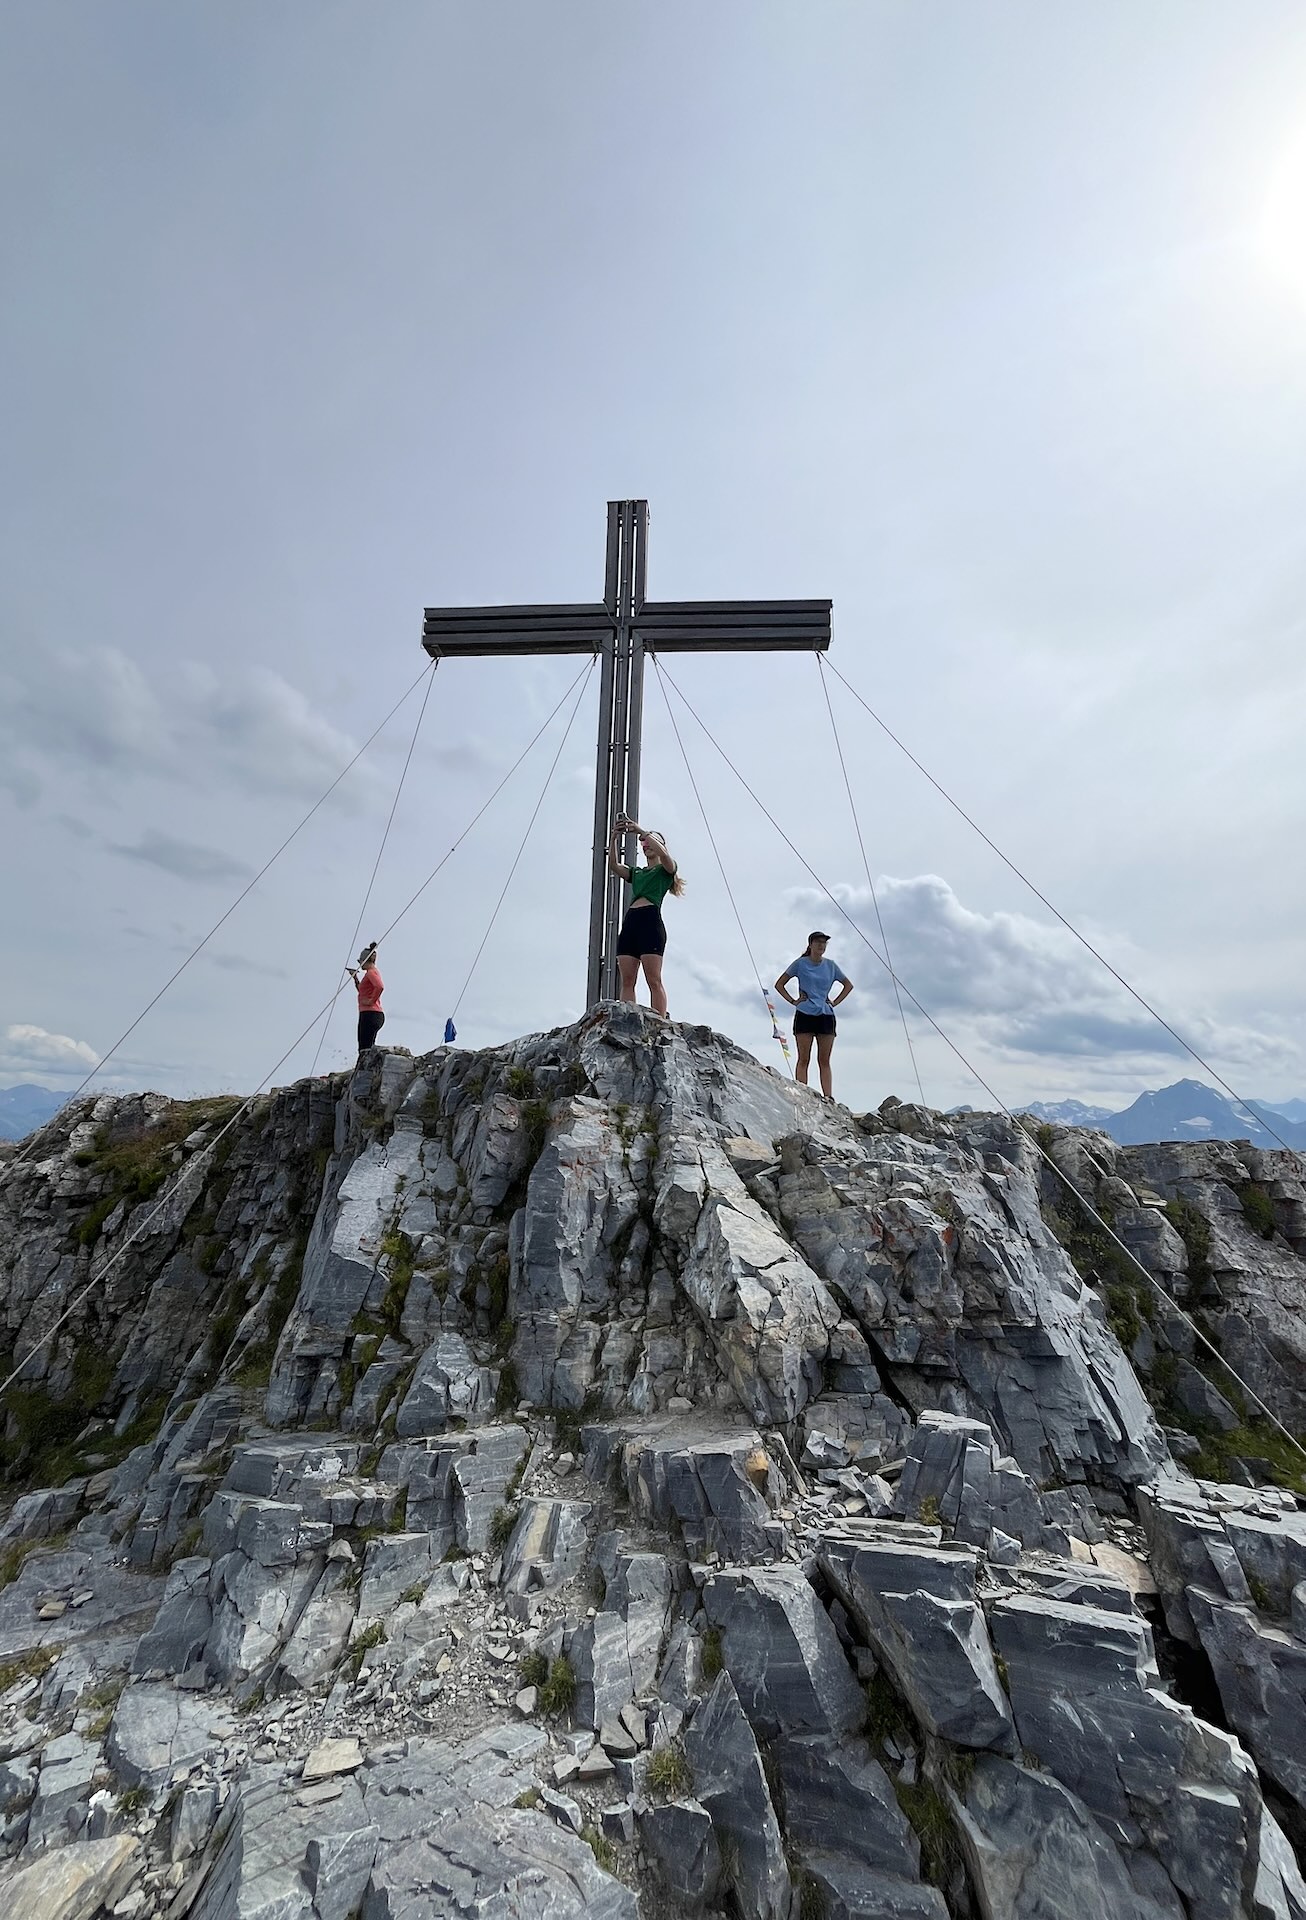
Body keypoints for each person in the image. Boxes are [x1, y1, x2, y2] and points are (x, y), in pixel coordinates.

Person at [609, 816, 683, 1017]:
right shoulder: (637, 873)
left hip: (650, 922)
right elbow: (615, 866)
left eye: (651, 842)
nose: (647, 844)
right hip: (632, 921)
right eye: (644, 843)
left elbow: (666, 857)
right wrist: (614, 837)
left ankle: (659, 1021)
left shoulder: (666, 870)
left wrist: (641, 831)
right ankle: (626, 1019)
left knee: (653, 979)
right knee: (627, 979)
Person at [775, 932, 852, 1098]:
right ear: (810, 944)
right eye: (818, 942)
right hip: (805, 1013)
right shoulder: (800, 964)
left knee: (824, 1060)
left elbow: (848, 985)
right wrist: (793, 1001)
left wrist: (834, 1002)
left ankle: (828, 1097)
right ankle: (802, 1095)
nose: (821, 946)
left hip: (826, 1015)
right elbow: (779, 984)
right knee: (804, 1058)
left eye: (824, 943)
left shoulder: (831, 965)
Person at [346, 943, 385, 1055]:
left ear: (365, 960)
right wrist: (355, 979)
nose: (360, 964)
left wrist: (370, 1001)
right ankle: (366, 1068)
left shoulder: (371, 973)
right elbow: (363, 992)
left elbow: (380, 986)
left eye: (361, 961)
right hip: (371, 1013)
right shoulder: (370, 974)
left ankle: (364, 1069)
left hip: (370, 1013)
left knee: (364, 1046)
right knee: (367, 1044)